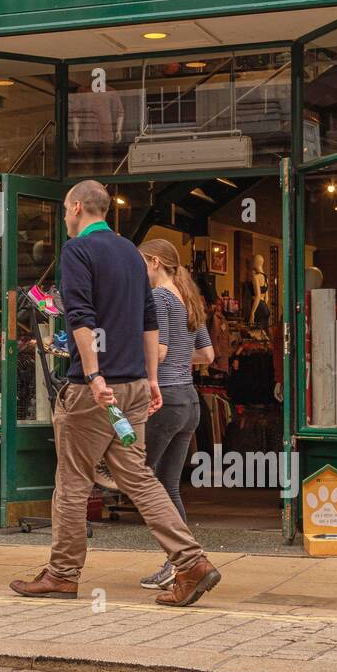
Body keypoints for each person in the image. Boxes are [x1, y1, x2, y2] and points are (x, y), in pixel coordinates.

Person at [10, 181, 221, 607]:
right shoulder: (130, 251)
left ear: (75, 207)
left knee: (71, 483)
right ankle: (192, 562)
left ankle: (62, 574)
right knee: (139, 478)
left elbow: (82, 318)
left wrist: (92, 374)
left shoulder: (77, 252)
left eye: (66, 211)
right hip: (136, 385)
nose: (66, 219)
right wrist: (152, 378)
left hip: (94, 389)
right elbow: (148, 320)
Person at [138, 239, 215, 590]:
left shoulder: (159, 297)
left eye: (142, 263)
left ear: (154, 262)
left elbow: (162, 349)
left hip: (164, 401)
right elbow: (208, 355)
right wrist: (182, 362)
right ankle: (183, 562)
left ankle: (183, 561)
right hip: (189, 401)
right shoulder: (189, 298)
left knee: (139, 479)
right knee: (167, 485)